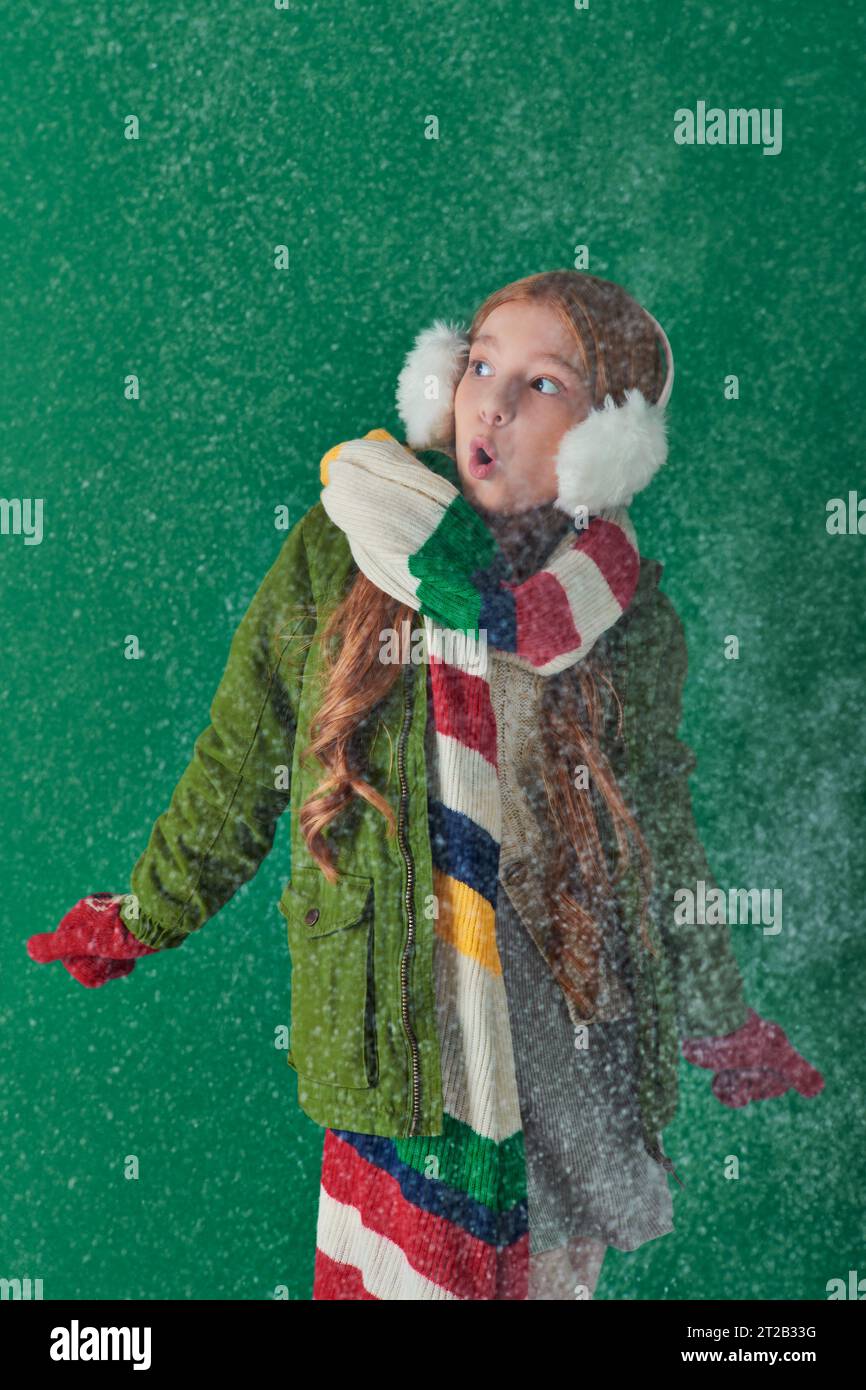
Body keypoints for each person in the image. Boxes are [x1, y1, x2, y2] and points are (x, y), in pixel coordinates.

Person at [27, 270, 824, 1301]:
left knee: (544, 1278)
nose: (489, 401)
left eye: (542, 384)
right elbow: (244, 748)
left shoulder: (622, 614)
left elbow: (661, 833)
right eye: (480, 364)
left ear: (605, 439)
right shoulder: (346, 540)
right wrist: (148, 909)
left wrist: (720, 1012)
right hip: (397, 1010)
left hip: (564, 1024)